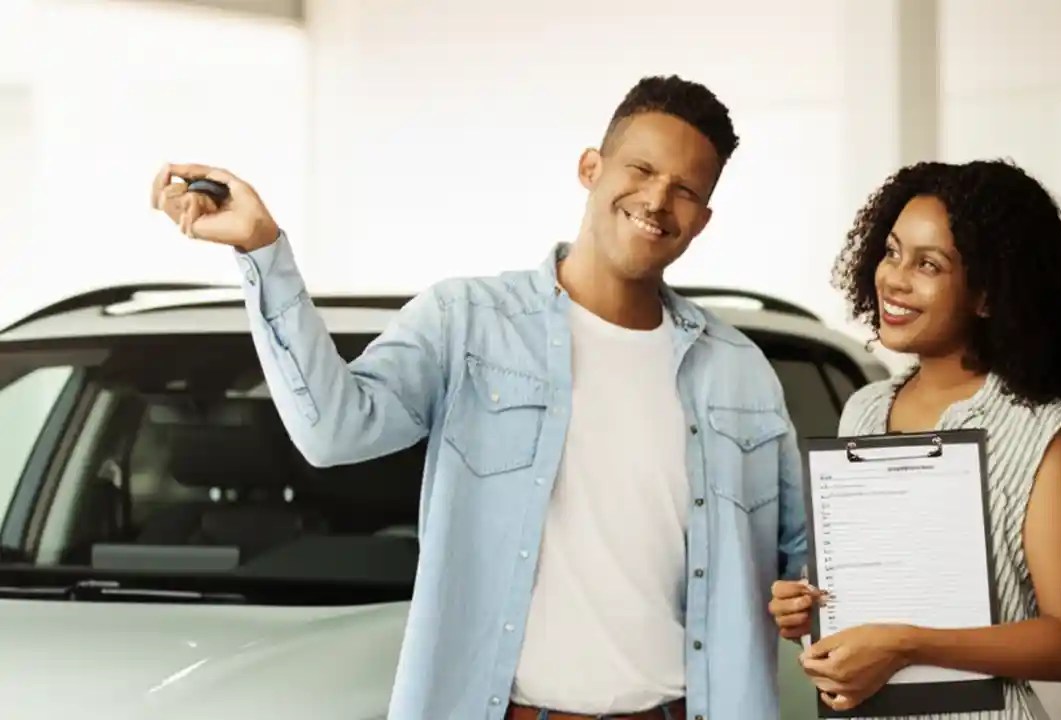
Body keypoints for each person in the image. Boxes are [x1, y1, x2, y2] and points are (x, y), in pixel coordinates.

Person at [149, 75, 807, 720]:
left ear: (704, 218)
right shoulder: (468, 322)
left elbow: (806, 563)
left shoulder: (739, 373)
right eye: (641, 168)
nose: (659, 199)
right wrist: (261, 250)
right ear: (590, 168)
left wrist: (808, 602)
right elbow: (334, 431)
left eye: (686, 189)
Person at [769, 159, 1061, 717]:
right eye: (891, 251)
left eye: (928, 264)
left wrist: (908, 643)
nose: (894, 278)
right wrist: (807, 612)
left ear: (987, 295)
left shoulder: (1044, 435)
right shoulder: (862, 410)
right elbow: (863, 612)